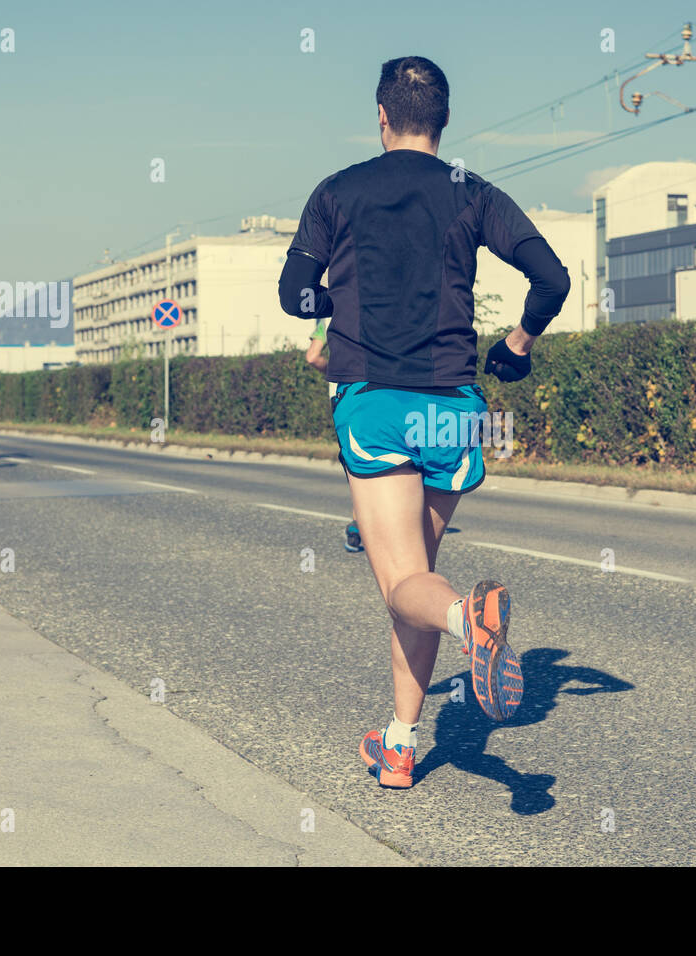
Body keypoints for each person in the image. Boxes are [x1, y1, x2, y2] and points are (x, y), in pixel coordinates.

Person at [279, 55, 570, 789]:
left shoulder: (338, 191)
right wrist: (517, 344)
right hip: (454, 411)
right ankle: (400, 744)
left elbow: (294, 293)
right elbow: (553, 279)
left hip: (377, 406)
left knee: (407, 585)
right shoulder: (474, 191)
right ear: (444, 120)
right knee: (419, 579)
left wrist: (336, 323)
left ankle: (472, 619)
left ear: (381, 117)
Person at [305, 318, 364, 553]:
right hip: (380, 390)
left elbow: (312, 357)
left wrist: (337, 372)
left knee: (356, 460)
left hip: (343, 396)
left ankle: (359, 525)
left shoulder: (329, 315)